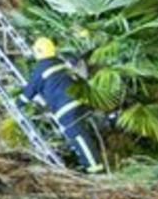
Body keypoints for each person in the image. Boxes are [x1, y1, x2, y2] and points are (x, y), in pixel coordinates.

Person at [21, 37, 104, 174]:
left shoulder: (41, 68)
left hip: (66, 108)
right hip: (78, 101)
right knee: (81, 135)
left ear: (38, 52)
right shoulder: (59, 62)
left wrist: (18, 103)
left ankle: (95, 168)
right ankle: (88, 164)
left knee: (78, 137)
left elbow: (30, 91)